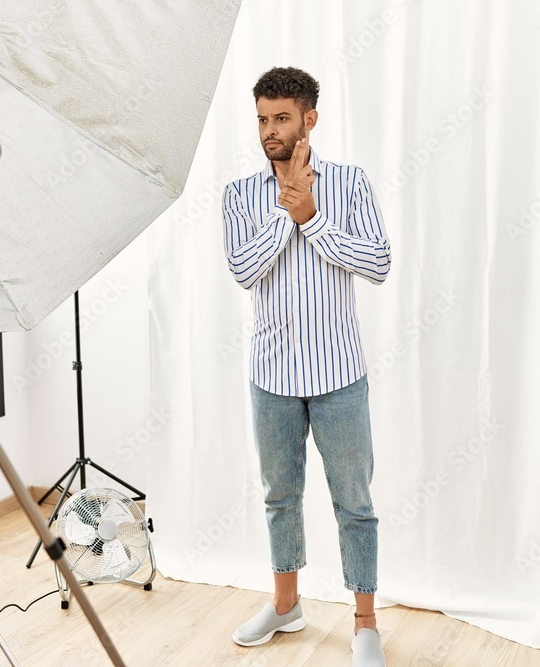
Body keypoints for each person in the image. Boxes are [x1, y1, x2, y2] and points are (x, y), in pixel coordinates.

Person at [222, 66, 390, 666]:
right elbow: (244, 271)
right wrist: (284, 212)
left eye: (282, 118)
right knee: (279, 496)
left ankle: (365, 622)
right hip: (271, 378)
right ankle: (287, 606)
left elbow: (377, 262)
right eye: (263, 118)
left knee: (354, 500)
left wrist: (313, 216)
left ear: (309, 119)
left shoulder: (350, 182)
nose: (269, 130)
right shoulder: (240, 195)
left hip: (340, 374)